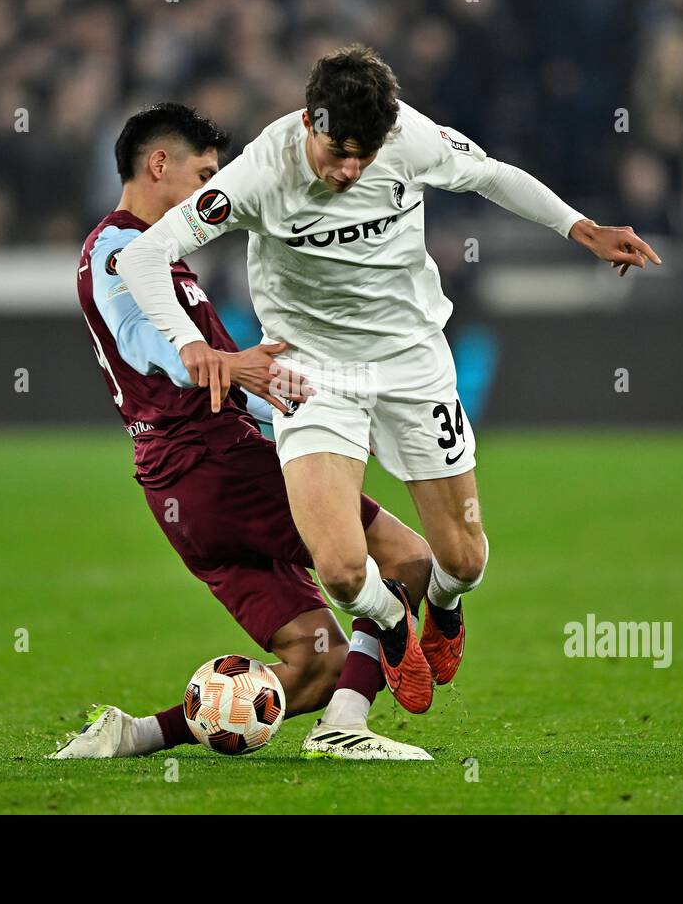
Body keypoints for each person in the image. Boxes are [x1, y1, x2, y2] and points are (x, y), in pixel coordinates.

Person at [115, 46, 662, 714]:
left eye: (365, 156)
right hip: (315, 370)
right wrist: (190, 342)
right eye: (339, 151)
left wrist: (579, 227)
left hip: (412, 362)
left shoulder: (409, 136)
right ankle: (396, 626)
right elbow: (145, 255)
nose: (350, 169)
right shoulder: (261, 171)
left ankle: (445, 608)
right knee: (343, 569)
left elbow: (490, 175)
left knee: (462, 559)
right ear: (310, 123)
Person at [55, 103, 435, 761]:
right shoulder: (119, 252)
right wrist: (222, 364)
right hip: (214, 465)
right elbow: (152, 345)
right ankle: (345, 726)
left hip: (184, 489)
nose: (213, 191)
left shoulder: (160, 258)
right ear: (158, 165)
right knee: (407, 559)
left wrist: (305, 404)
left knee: (316, 659)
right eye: (204, 174)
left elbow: (237, 383)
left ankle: (133, 734)